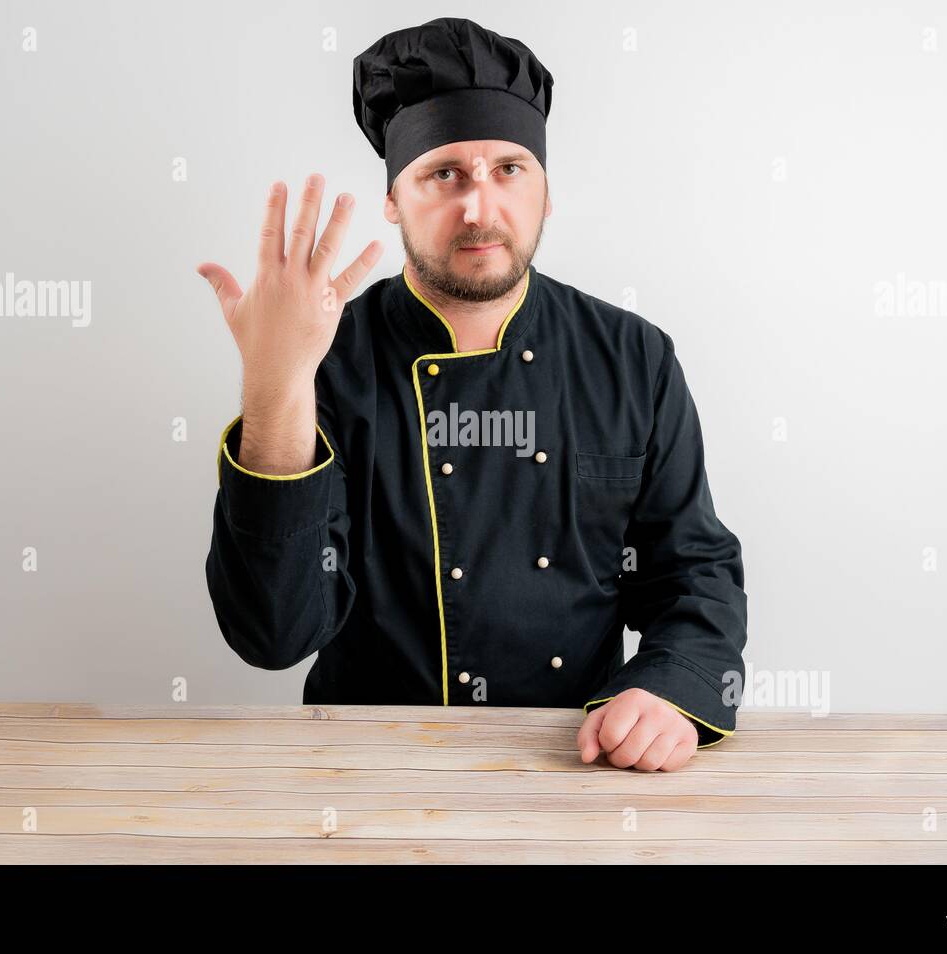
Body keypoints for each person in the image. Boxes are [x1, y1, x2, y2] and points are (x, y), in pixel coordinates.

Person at [197, 17, 748, 772]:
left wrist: (668, 690)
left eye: (510, 170)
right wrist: (276, 384)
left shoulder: (632, 358)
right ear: (394, 198)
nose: (481, 209)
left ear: (547, 191)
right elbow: (274, 635)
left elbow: (693, 571)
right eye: (444, 174)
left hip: (577, 760)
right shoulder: (326, 359)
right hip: (365, 770)